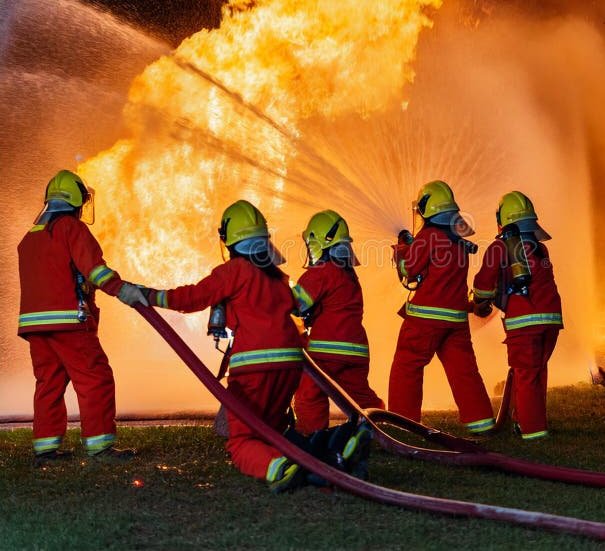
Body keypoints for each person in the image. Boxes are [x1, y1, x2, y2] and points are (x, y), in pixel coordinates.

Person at [144, 200, 369, 491]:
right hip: (290, 364)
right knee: (273, 431)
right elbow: (293, 307)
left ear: (230, 239)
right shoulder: (277, 276)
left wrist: (148, 295)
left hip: (253, 367)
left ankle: (278, 468)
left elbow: (192, 298)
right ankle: (336, 447)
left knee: (240, 442)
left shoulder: (233, 271)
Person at [18, 170, 144, 464]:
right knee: (95, 378)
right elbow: (94, 270)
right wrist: (122, 290)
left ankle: (46, 450)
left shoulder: (29, 238)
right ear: (77, 201)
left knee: (48, 382)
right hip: (68, 321)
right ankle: (100, 447)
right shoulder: (71, 229)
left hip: (35, 326)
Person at [388, 180, 496, 435]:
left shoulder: (427, 238)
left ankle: (403, 425)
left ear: (426, 208)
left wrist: (401, 252)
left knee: (407, 366)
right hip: (456, 322)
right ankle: (481, 423)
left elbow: (409, 273)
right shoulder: (458, 241)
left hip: (424, 321)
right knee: (464, 371)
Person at [472, 191, 563, 439]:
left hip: (524, 323)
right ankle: (524, 419)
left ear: (502, 219)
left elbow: (482, 285)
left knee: (526, 374)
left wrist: (480, 303)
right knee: (536, 372)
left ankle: (533, 431)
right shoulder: (541, 249)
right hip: (552, 321)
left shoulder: (499, 247)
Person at [292, 210, 384, 435]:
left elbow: (296, 304)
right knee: (360, 395)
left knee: (309, 391)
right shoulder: (350, 275)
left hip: (327, 348)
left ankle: (310, 433)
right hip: (357, 351)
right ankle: (380, 425)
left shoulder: (320, 272)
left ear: (317, 242)